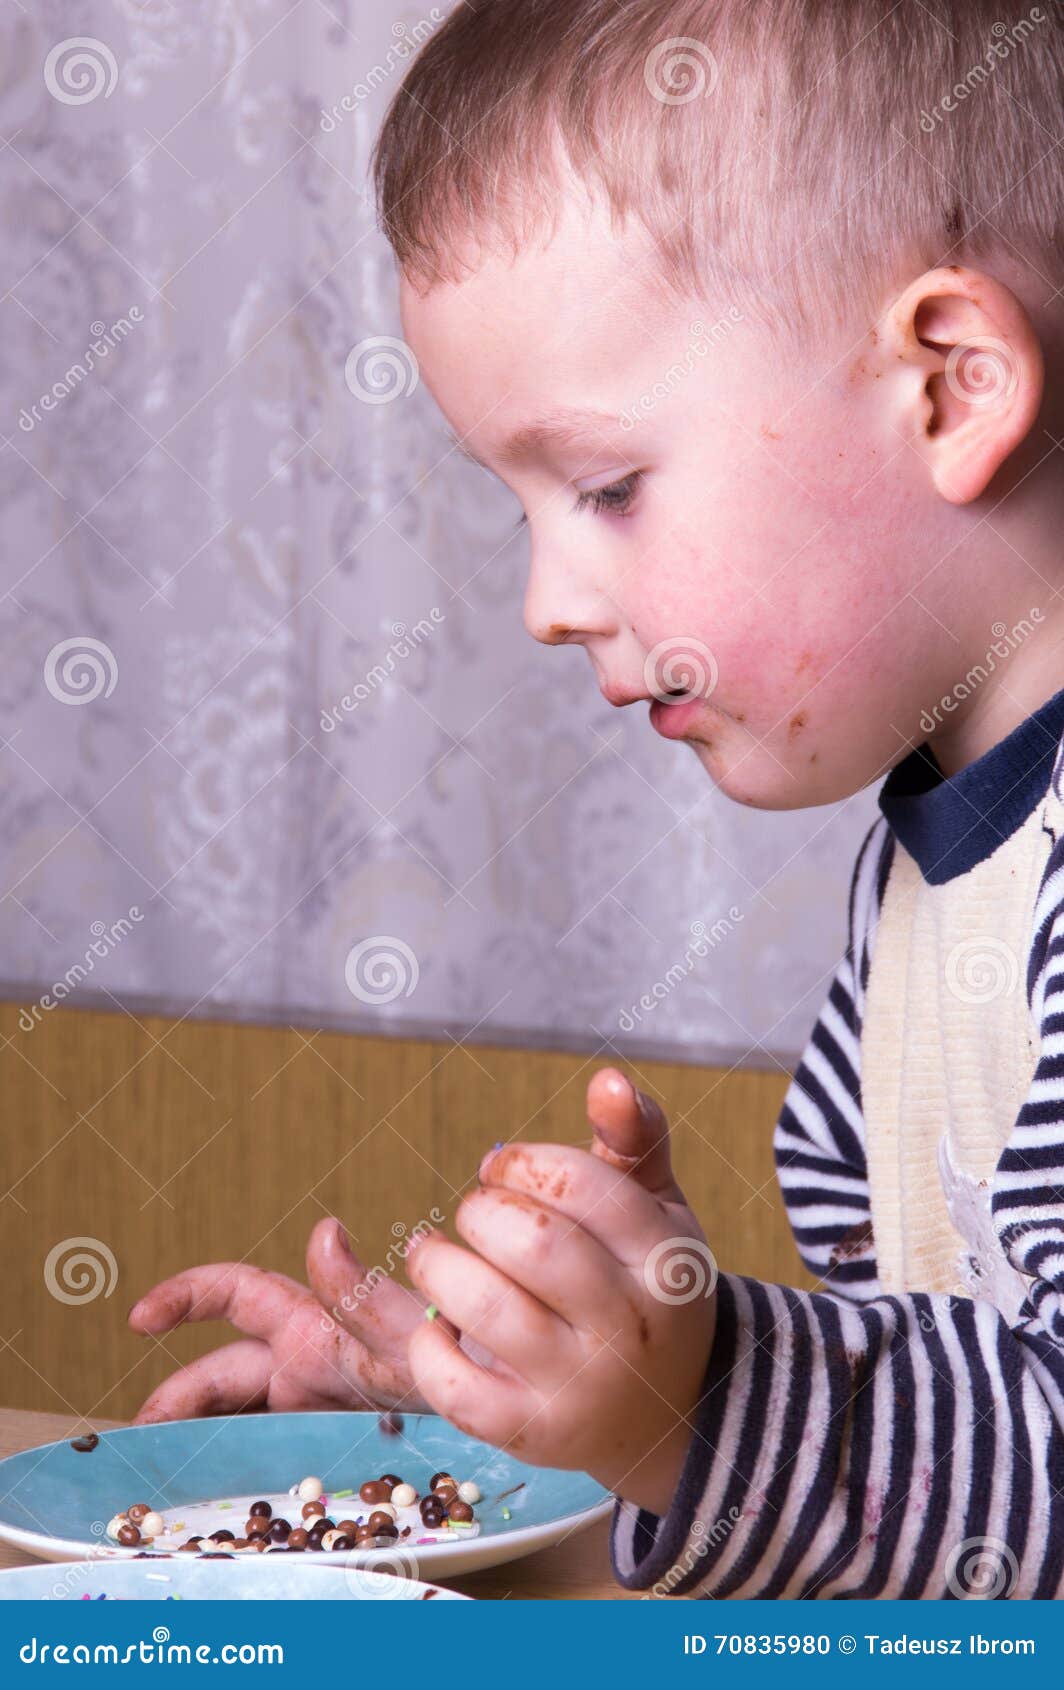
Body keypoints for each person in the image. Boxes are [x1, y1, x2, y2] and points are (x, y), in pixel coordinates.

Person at [129, 0, 1064, 1597]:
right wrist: (546, 1389)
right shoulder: (929, 861)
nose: (548, 604)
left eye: (609, 488)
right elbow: (943, 1420)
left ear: (952, 387)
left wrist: (706, 1401)